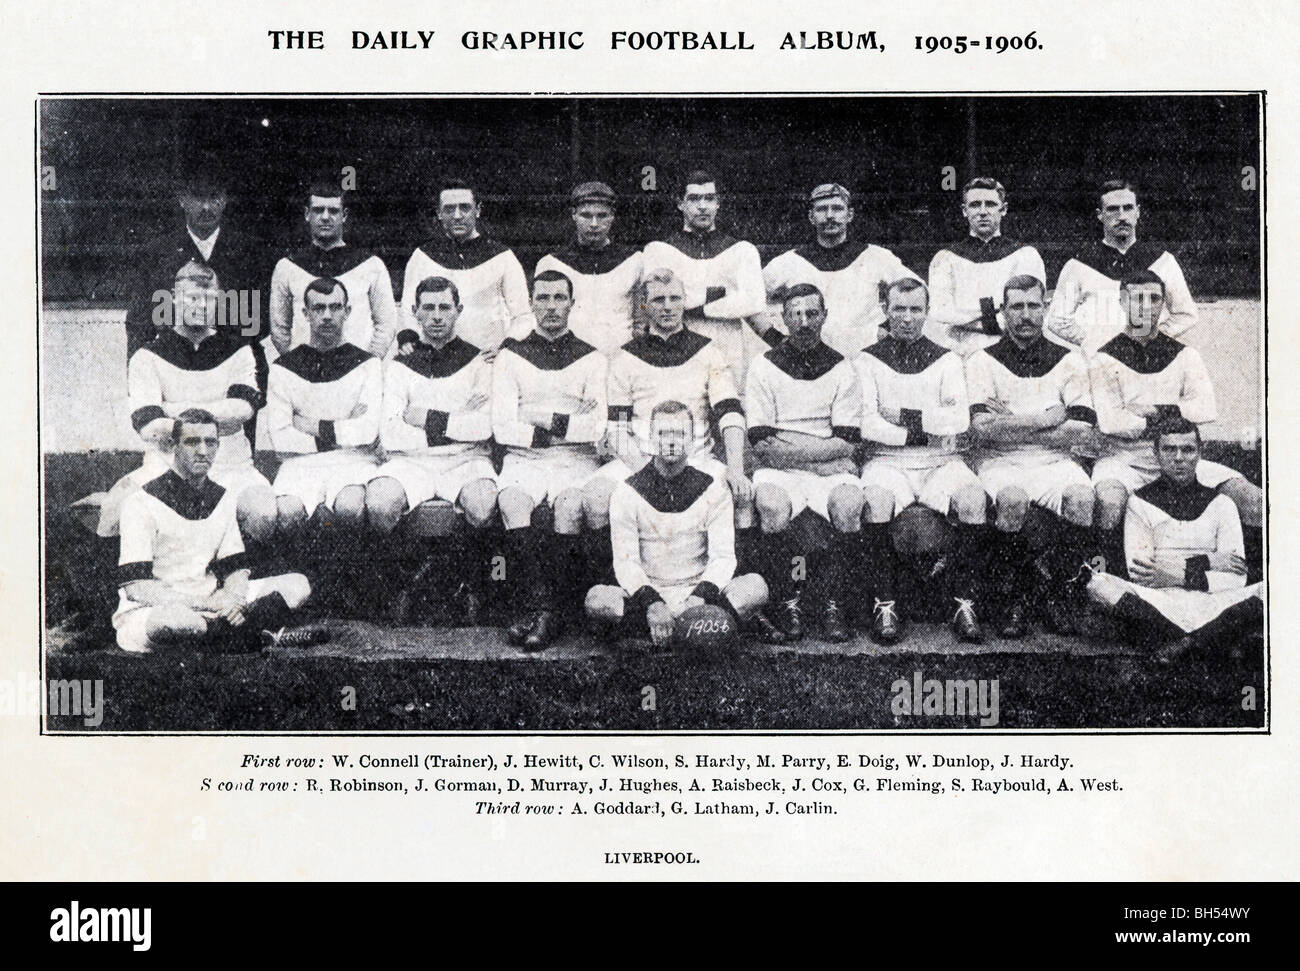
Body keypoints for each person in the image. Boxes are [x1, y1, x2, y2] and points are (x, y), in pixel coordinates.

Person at [584, 268, 753, 578]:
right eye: (658, 299)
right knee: (595, 498)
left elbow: (729, 411)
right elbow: (618, 427)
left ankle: (732, 589)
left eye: (675, 298)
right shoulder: (625, 357)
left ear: (684, 302)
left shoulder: (708, 351)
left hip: (696, 457)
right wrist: (646, 474)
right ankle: (615, 589)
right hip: (639, 459)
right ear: (645, 306)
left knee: (739, 493)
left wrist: (737, 468)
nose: (667, 306)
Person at [1089, 271, 1261, 572]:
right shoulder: (1103, 358)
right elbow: (1113, 422)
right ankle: (1104, 579)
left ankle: (1255, 585)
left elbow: (1206, 409)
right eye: (1137, 298)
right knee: (1109, 503)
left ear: (1163, 304)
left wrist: (1153, 410)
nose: (1146, 307)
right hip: (1124, 460)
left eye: (1154, 299)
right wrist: (1177, 412)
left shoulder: (1185, 355)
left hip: (1180, 455)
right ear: (1122, 301)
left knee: (1252, 499)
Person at [853, 278, 988, 643]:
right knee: (876, 502)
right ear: (886, 310)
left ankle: (964, 602)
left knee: (973, 501)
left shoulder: (946, 358)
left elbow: (958, 420)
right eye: (899, 309)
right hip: (887, 461)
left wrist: (901, 416)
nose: (908, 318)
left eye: (916, 310)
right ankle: (886, 603)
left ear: (927, 313)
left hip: (942, 460)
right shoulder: (867, 359)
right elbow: (867, 423)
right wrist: (923, 425)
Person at [101, 261, 275, 542]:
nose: (200, 306)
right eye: (192, 298)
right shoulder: (147, 356)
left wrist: (171, 410)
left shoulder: (239, 350)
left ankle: (241, 577)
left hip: (230, 466)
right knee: (114, 511)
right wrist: (215, 417)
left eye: (208, 299)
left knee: (263, 512)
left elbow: (243, 409)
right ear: (173, 300)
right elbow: (149, 426)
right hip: (166, 464)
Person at [113, 409, 312, 653]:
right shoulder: (140, 502)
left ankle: (225, 635)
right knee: (178, 622)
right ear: (174, 446)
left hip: (214, 603)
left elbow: (235, 569)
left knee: (297, 585)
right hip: (159, 610)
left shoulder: (224, 497)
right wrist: (208, 604)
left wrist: (234, 601)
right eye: (192, 442)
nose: (203, 451)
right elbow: (138, 588)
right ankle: (250, 636)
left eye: (210, 442)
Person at [964, 275, 1098, 635]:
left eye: (1033, 306)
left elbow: (1081, 428)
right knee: (1012, 499)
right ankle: (1013, 600)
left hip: (1054, 461)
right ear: (1003, 313)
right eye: (1016, 307)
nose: (1025, 315)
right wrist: (1046, 418)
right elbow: (982, 429)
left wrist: (1009, 420)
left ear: (1045, 308)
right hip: (999, 460)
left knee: (1082, 498)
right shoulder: (982, 360)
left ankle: (1059, 593)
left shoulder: (1069, 360)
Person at [364, 276, 499, 623]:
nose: (437, 316)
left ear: (459, 311)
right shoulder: (397, 365)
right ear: (415, 312)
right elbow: (391, 433)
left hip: (467, 460)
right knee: (379, 503)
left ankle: (472, 587)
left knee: (484, 506)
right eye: (429, 308)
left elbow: (483, 427)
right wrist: (456, 421)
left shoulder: (478, 361)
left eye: (445, 307)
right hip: (410, 462)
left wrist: (422, 417)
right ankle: (401, 586)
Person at [585, 401, 769, 648]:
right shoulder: (626, 492)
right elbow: (626, 562)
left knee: (756, 587)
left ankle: (662, 632)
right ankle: (691, 629)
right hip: (649, 594)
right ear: (650, 438)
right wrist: (652, 602)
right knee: (596, 599)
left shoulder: (714, 489)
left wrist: (698, 598)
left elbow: (723, 558)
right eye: (663, 434)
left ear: (692, 440)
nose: (671, 442)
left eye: (680, 434)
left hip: (697, 595)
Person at [1085, 418, 1262, 665]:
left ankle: (1182, 644)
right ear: (1156, 454)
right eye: (1169, 449)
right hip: (1161, 602)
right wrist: (1209, 560)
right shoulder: (1139, 503)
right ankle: (1211, 640)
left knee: (1270, 590)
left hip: (1213, 601)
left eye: (1188, 449)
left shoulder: (1223, 504)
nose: (1179, 458)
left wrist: (1176, 573)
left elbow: (1237, 577)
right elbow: (1142, 573)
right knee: (1099, 584)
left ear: (1200, 453)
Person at [492, 270, 607, 650]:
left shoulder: (592, 358)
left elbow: (595, 428)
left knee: (571, 507)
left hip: (575, 460)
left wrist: (535, 415)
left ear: (573, 304)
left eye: (560, 298)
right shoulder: (510, 357)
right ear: (531, 304)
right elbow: (503, 427)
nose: (552, 306)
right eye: (543, 298)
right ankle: (537, 605)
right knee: (511, 503)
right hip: (524, 460)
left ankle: (553, 610)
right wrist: (567, 421)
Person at [746, 283, 864, 642]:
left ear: (824, 316)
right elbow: (763, 445)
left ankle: (834, 603)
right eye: (795, 314)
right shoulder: (763, 367)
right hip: (784, 472)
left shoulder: (842, 368)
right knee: (772, 505)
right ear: (782, 318)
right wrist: (825, 455)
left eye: (812, 313)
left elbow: (850, 441)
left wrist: (800, 448)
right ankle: (786, 602)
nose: (803, 321)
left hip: (826, 475)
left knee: (848, 505)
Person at [260, 277, 383, 538]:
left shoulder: (368, 364)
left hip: (354, 461)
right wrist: (340, 430)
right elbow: (281, 438)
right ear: (305, 313)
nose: (327, 316)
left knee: (351, 507)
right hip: (299, 465)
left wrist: (310, 426)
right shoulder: (283, 368)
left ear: (347, 311)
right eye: (318, 308)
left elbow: (366, 432)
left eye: (335, 307)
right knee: (287, 511)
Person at [122, 160, 267, 367]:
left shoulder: (249, 252)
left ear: (224, 200)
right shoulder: (157, 254)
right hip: (175, 369)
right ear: (182, 199)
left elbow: (259, 324)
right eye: (198, 198)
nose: (206, 207)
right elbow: (140, 324)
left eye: (214, 197)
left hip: (232, 367)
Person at [755, 182, 918, 357]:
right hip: (810, 360)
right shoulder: (789, 262)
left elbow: (918, 289)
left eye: (837, 209)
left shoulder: (875, 257)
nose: (830, 215)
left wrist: (887, 329)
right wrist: (776, 339)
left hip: (865, 357)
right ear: (811, 217)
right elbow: (751, 298)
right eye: (822, 209)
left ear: (850, 215)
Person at [642, 170, 766, 383]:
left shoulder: (742, 250)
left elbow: (752, 302)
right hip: (679, 348)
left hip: (729, 348)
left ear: (718, 203)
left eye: (709, 198)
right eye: (694, 199)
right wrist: (723, 295)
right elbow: (660, 300)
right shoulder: (659, 250)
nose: (702, 206)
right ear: (680, 203)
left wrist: (693, 304)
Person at [1046, 180, 1197, 353]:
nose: (1122, 216)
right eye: (1112, 209)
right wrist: (1096, 343)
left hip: (1147, 359)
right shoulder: (1078, 265)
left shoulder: (1163, 261)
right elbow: (1057, 320)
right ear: (1100, 215)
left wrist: (1150, 339)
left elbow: (1186, 315)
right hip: (1099, 362)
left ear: (1138, 212)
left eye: (1128, 208)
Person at [268, 178, 397, 358]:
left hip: (356, 372)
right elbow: (279, 328)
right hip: (306, 374)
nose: (326, 217)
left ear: (344, 215)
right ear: (307, 214)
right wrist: (296, 365)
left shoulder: (371, 266)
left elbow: (386, 324)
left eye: (333, 211)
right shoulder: (287, 267)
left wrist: (367, 364)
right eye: (318, 210)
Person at [401, 179, 532, 354]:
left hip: (486, 360)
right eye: (449, 209)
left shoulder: (503, 257)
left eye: (465, 207)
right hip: (436, 360)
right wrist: (410, 340)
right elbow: (409, 311)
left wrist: (505, 348)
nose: (457, 215)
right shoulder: (422, 257)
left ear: (478, 210)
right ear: (439, 213)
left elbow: (523, 315)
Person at [926, 177, 1046, 356]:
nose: (983, 212)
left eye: (990, 204)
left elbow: (1024, 315)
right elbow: (939, 313)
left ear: (1003, 209)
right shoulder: (945, 258)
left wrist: (964, 317)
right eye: (975, 205)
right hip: (959, 351)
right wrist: (990, 313)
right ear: (964, 211)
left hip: (1009, 352)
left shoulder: (1025, 256)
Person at [534, 181, 643, 355]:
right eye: (586, 215)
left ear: (612, 216)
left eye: (602, 216)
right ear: (574, 214)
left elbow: (642, 318)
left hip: (620, 361)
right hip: (570, 362)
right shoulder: (551, 263)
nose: (594, 224)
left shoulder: (634, 261)